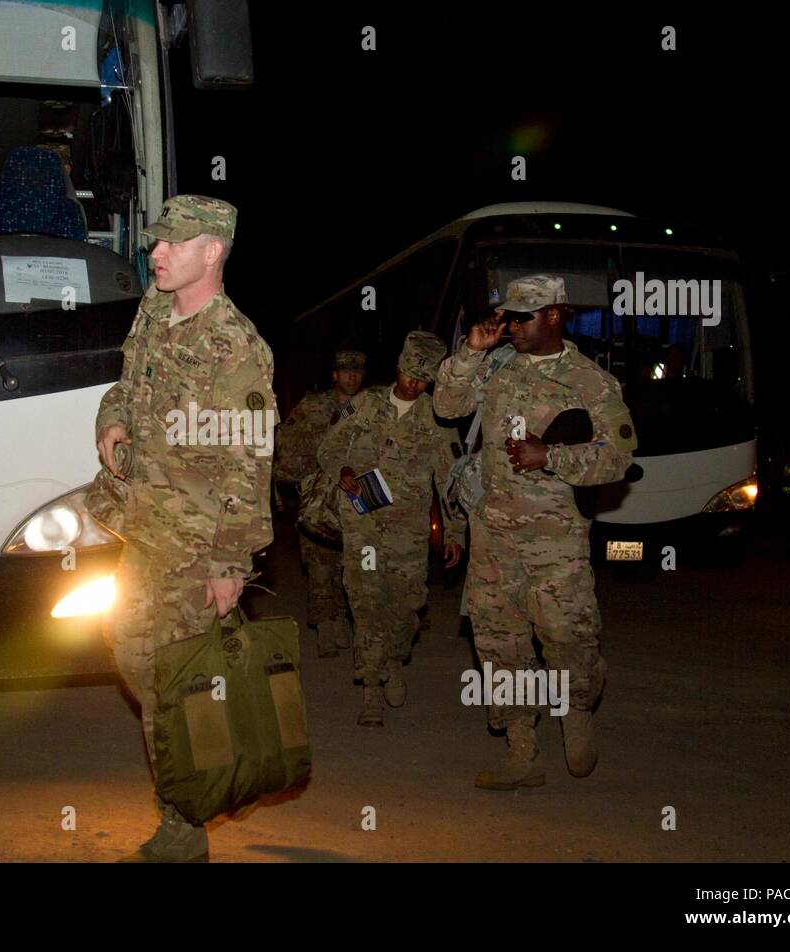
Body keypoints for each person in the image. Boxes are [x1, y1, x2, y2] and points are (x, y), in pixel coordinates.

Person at [91, 195, 276, 862]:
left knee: (169, 677)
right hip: (142, 526)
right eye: (155, 241)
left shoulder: (236, 348)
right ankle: (217, 754)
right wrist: (110, 421)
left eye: (173, 242)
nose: (156, 252)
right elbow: (124, 383)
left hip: (196, 543)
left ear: (213, 250)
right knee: (131, 653)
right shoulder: (152, 310)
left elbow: (249, 464)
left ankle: (183, 821)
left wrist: (231, 564)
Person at [433, 274, 637, 789]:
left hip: (556, 541)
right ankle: (523, 752)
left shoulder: (591, 382)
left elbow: (618, 456)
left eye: (522, 317)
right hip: (493, 538)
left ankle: (578, 707)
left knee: (568, 639)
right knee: (500, 646)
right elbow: (447, 406)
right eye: (508, 317)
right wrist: (470, 352)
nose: (512, 327)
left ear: (553, 315)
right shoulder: (497, 369)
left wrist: (553, 456)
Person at [317, 330, 466, 727]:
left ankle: (394, 660)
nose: (414, 383)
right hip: (363, 523)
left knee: (405, 607)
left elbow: (448, 480)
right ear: (398, 367)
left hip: (409, 531)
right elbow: (328, 448)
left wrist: (455, 532)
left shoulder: (437, 419)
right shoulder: (364, 405)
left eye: (423, 379)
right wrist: (343, 471)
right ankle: (370, 690)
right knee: (366, 604)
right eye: (410, 374)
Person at [273, 348, 366, 657]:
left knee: (349, 567)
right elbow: (286, 447)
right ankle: (325, 626)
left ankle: (340, 619)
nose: (351, 376)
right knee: (319, 565)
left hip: (355, 502)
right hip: (318, 501)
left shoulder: (370, 408)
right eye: (345, 370)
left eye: (357, 371)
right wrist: (305, 482)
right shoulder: (312, 407)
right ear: (334, 374)